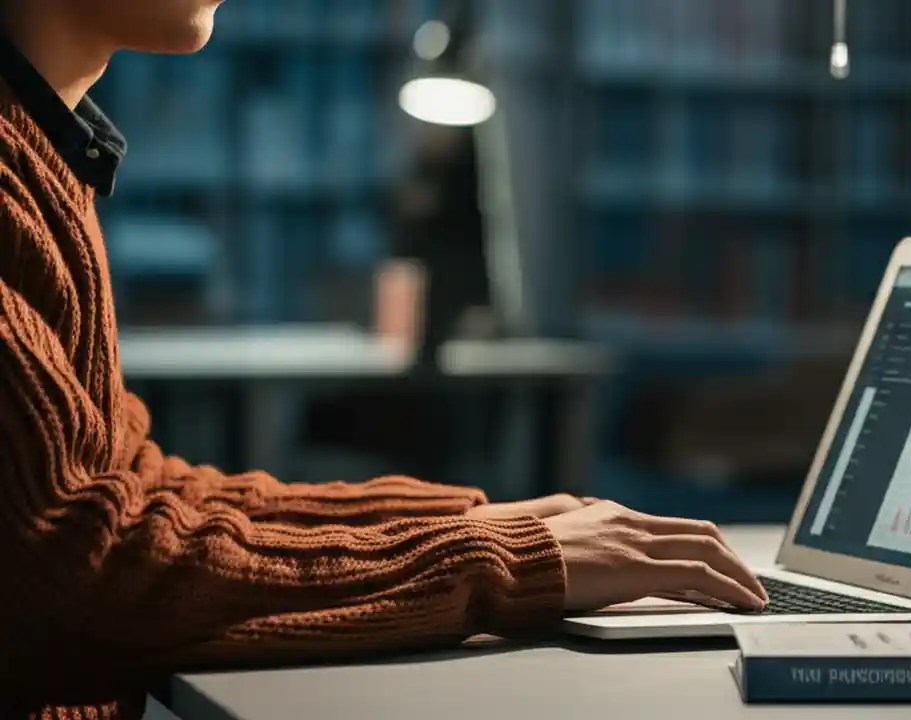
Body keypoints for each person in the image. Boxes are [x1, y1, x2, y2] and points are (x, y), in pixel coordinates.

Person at [0, 1, 768, 717]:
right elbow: (81, 571)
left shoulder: (47, 152)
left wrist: (469, 522)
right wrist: (495, 559)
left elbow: (130, 487)